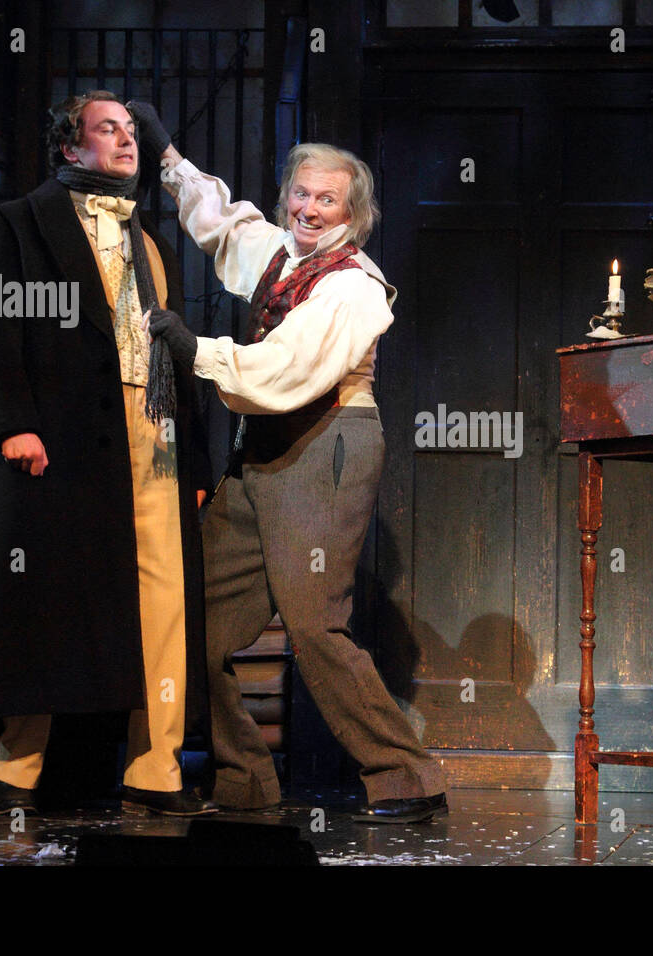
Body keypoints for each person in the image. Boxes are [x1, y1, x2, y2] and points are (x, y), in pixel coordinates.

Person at [131, 102, 448, 823]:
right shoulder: (282, 254)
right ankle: (245, 778)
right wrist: (170, 159)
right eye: (301, 193)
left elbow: (281, 370)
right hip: (265, 450)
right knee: (195, 619)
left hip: (326, 444)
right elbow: (224, 225)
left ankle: (408, 776)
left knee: (313, 626)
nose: (309, 207)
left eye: (326, 198)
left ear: (353, 213)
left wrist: (195, 350)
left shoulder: (352, 287)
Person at [0, 90, 216, 816]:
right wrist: (12, 422)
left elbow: (174, 353)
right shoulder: (18, 224)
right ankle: (21, 769)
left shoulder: (150, 242)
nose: (127, 141)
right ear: (71, 147)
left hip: (153, 434)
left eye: (132, 130)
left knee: (163, 599)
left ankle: (157, 766)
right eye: (109, 129)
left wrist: (193, 463)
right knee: (44, 603)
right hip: (62, 437)